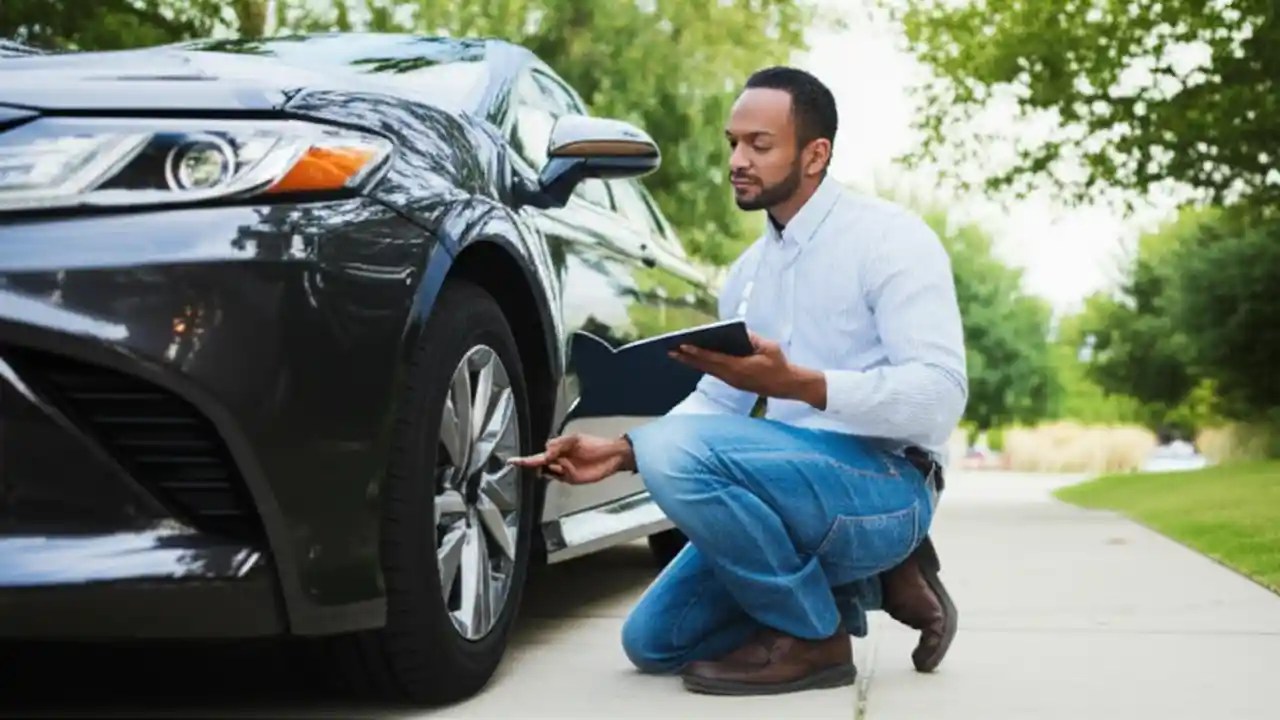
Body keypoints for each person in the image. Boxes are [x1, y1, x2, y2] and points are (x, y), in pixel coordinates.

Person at [511, 66, 967, 696]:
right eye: (733, 143)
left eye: (759, 144)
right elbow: (719, 397)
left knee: (676, 453)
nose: (737, 160)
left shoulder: (891, 240)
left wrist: (802, 385)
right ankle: (871, 578)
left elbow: (941, 398)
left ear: (815, 155)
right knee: (653, 641)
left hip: (889, 486)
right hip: (796, 491)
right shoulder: (750, 270)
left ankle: (815, 637)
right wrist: (618, 453)